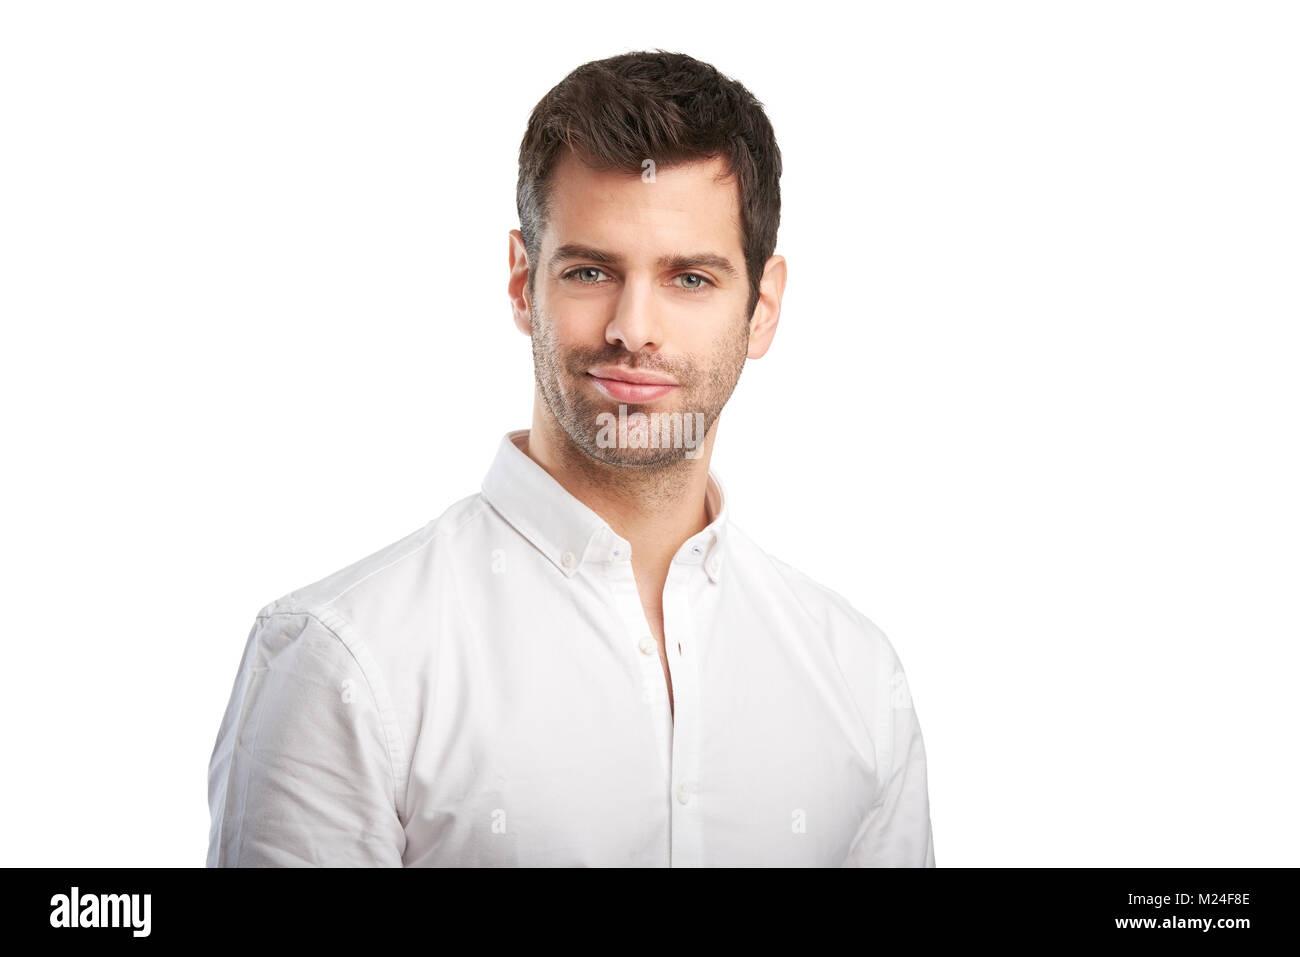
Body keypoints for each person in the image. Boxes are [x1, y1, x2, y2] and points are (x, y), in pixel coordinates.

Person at [206, 49, 935, 867]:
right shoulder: (344, 659)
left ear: (762, 309)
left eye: (690, 278)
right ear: (523, 283)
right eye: (591, 270)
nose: (633, 327)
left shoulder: (861, 681)